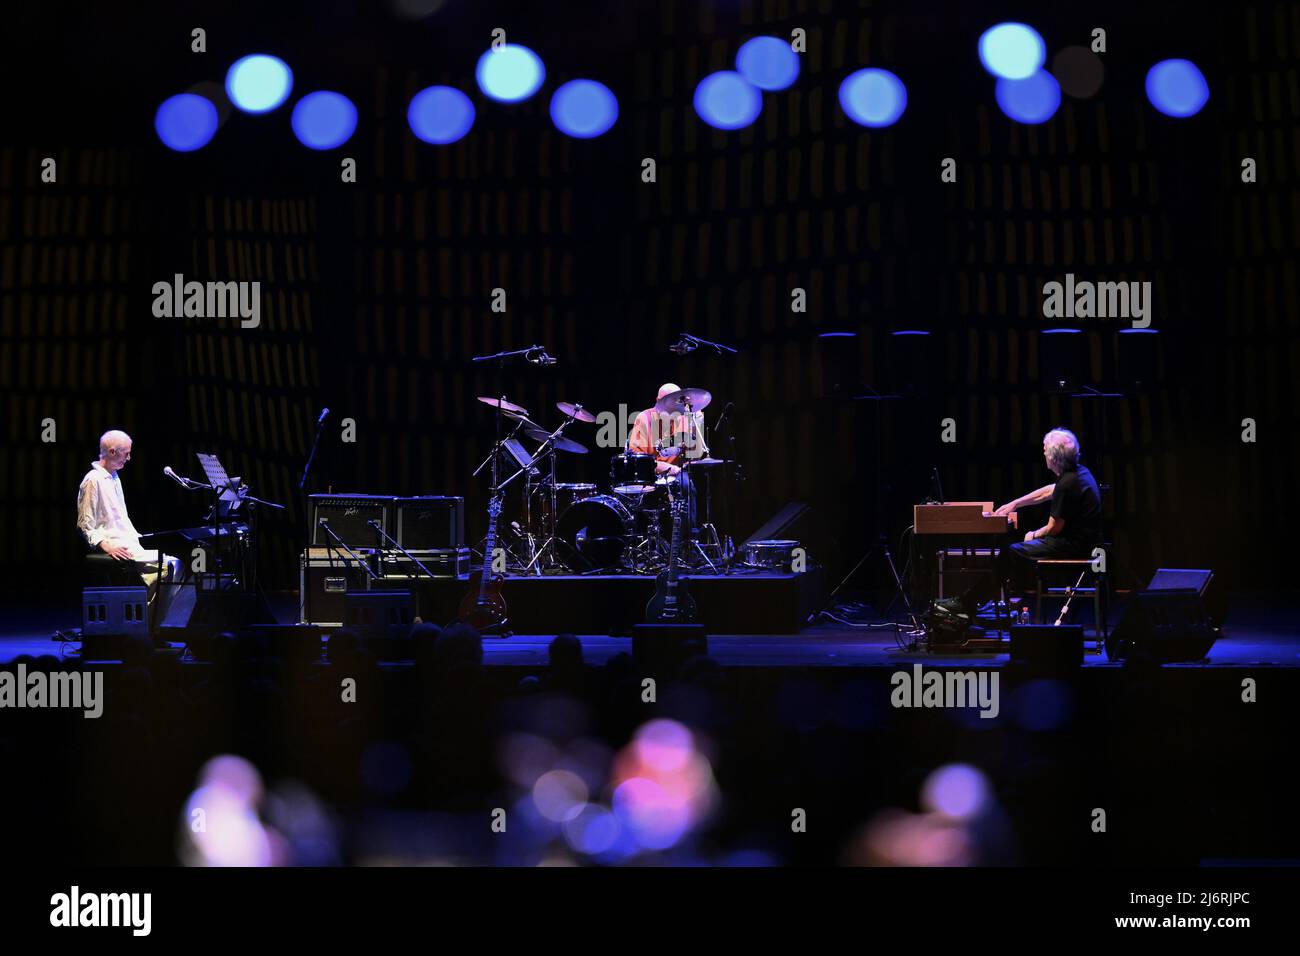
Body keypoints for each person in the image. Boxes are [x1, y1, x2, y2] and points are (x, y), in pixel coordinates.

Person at [944, 428, 1101, 620]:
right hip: (1082, 542)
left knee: (1011, 553)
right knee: (1013, 551)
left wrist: (1033, 535)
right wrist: (1015, 504)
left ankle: (969, 603)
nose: (1043, 453)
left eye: (1045, 450)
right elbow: (1049, 491)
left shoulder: (1068, 483)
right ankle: (978, 601)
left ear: (1053, 458)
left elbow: (1054, 528)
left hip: (1073, 546)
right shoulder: (1078, 473)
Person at [77, 430, 181, 599]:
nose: (129, 458)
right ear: (112, 452)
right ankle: (152, 619)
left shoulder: (114, 477)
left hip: (128, 542)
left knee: (174, 567)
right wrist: (106, 545)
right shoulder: (93, 480)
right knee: (172, 567)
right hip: (117, 545)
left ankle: (153, 616)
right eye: (126, 453)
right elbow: (84, 525)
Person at [627, 383, 709, 536]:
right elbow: (638, 460)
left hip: (676, 476)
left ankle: (688, 540)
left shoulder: (684, 419)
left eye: (677, 401)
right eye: (669, 400)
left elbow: (695, 455)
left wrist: (696, 425)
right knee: (683, 483)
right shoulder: (644, 418)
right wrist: (668, 468)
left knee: (687, 485)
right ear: (659, 400)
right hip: (651, 475)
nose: (674, 405)